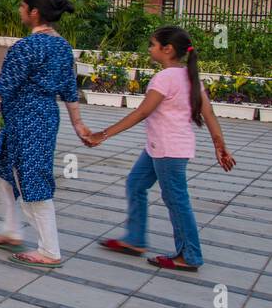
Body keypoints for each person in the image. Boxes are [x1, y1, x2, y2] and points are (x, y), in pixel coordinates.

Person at [0, 0, 91, 267]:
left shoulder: (26, 48)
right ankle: (11, 229)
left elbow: (2, 89)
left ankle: (49, 250)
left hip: (28, 121)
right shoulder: (62, 47)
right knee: (0, 168)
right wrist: (78, 124)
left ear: (34, 12)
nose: (19, 9)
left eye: (22, 5)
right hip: (39, 118)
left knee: (33, 181)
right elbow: (69, 90)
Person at [88, 26, 236, 271]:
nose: (149, 48)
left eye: (152, 44)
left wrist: (102, 134)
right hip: (162, 148)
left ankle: (190, 255)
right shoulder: (189, 77)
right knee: (136, 183)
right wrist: (220, 145)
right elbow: (208, 114)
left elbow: (143, 112)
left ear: (167, 50)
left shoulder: (164, 78)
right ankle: (135, 239)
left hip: (168, 151)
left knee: (176, 200)